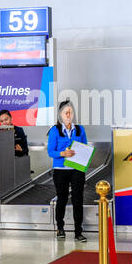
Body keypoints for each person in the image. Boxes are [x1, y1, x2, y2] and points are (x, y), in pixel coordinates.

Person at [47, 100, 88, 242]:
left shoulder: (80, 129)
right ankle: (60, 228)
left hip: (76, 169)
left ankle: (78, 232)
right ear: (60, 115)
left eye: (71, 112)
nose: (69, 115)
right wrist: (63, 154)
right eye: (66, 112)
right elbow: (51, 152)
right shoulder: (54, 130)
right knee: (62, 199)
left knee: (78, 200)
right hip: (60, 170)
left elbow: (85, 148)